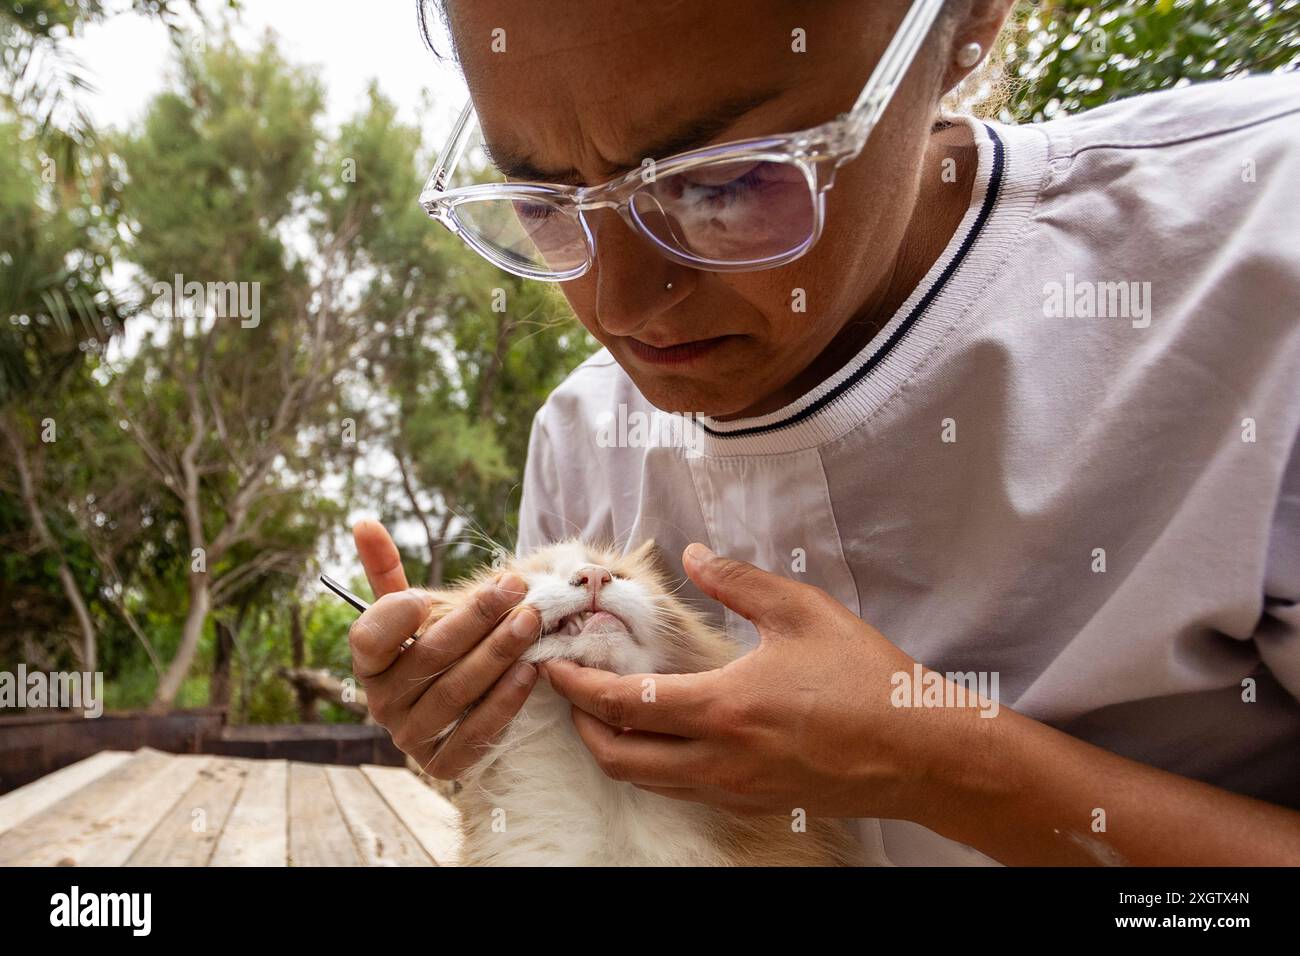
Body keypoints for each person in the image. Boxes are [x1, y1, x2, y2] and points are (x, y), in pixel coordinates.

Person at [348, 0, 1300, 865]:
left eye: (726, 183)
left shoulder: (1261, 251)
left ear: (964, 26)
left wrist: (941, 764)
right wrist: (479, 730)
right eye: (543, 205)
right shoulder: (580, 434)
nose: (618, 305)